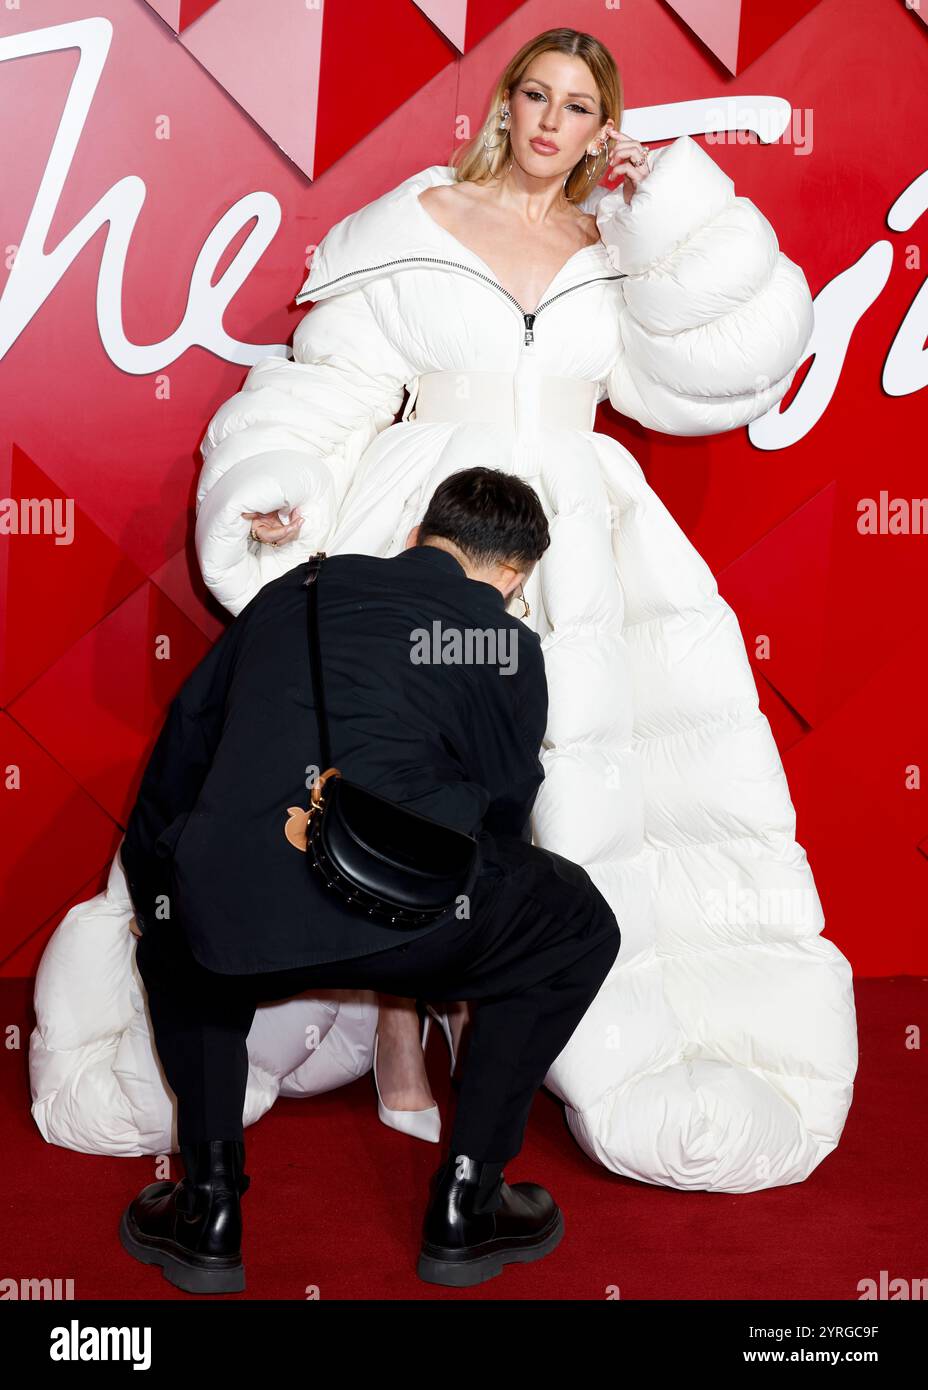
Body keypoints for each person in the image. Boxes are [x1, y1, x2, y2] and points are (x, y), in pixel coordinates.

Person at [29, 25, 858, 1196]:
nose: (551, 123)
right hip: (420, 521)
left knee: (565, 803)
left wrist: (663, 203)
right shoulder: (408, 227)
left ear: (602, 125)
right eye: (535, 95)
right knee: (390, 791)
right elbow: (327, 388)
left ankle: (503, 1014)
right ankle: (399, 1033)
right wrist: (279, 495)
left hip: (569, 549)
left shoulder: (622, 249)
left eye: (579, 106)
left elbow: (735, 357)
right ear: (505, 106)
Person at [118, 467, 622, 1292]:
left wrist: (155, 900)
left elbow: (179, 761)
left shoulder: (293, 594)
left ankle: (207, 1206)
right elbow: (503, 808)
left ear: (423, 536)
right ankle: (471, 1197)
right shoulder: (496, 638)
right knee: (579, 924)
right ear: (512, 577)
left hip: (241, 926)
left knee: (182, 916)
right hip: (413, 920)